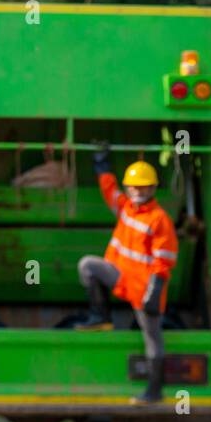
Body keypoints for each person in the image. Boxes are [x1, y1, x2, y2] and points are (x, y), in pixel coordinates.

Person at [76, 145, 179, 403]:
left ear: (153, 188)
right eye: (134, 187)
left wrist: (155, 292)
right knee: (88, 265)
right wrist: (102, 167)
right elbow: (110, 192)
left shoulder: (159, 219)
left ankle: (154, 391)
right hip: (121, 276)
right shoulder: (126, 208)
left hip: (144, 289)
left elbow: (164, 259)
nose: (138, 191)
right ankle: (101, 316)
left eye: (143, 187)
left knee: (152, 337)